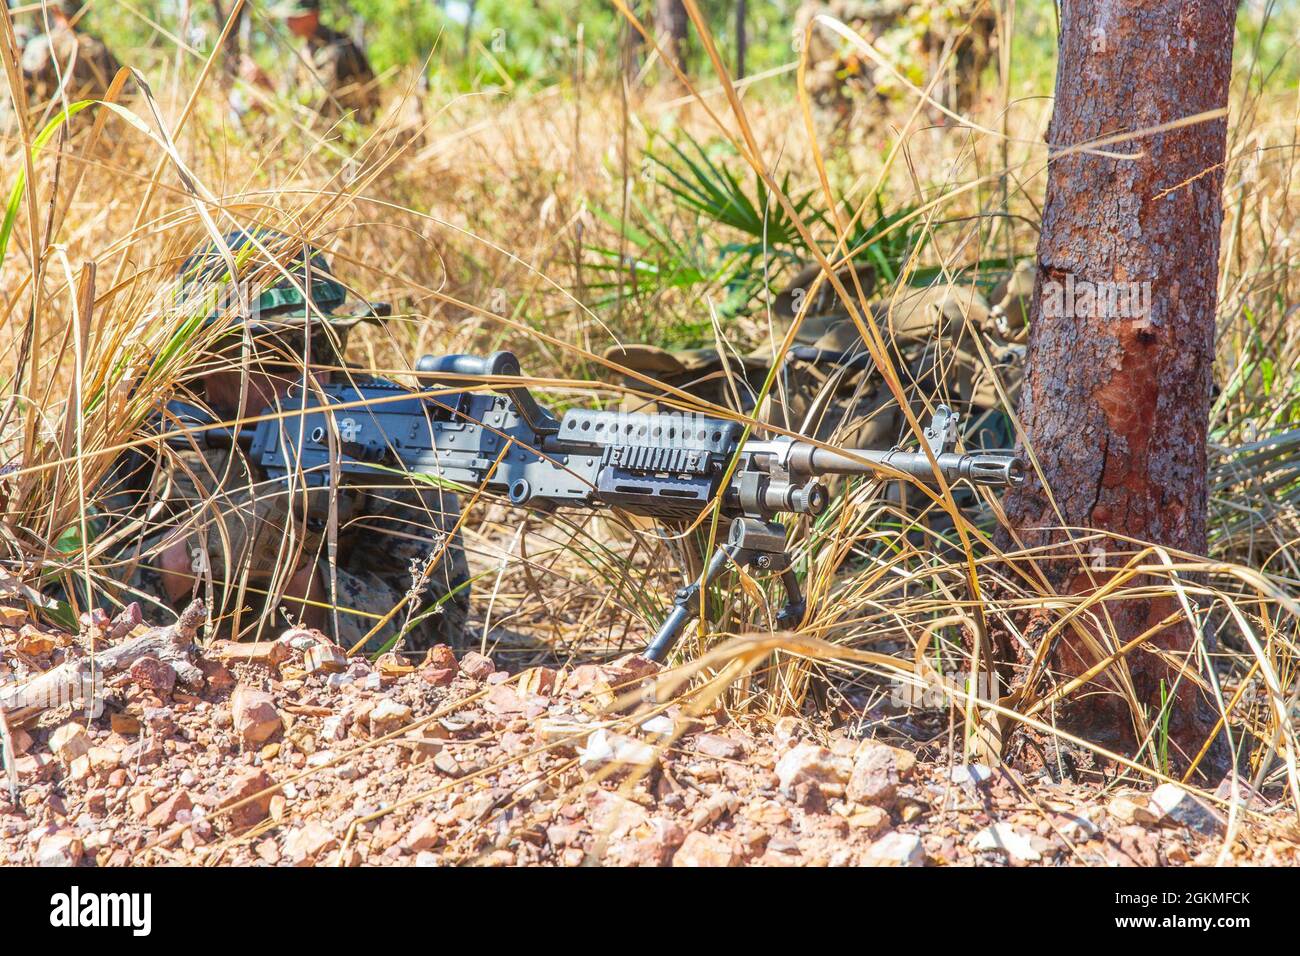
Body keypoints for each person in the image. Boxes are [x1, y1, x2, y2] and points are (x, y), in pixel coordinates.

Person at [101, 230, 470, 653]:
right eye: (277, 353)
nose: (312, 373)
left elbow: (435, 628)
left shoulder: (386, 429)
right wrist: (184, 560)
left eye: (325, 344)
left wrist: (299, 577)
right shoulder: (129, 427)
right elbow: (49, 597)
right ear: (203, 360)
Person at [273, 0, 378, 124]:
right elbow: (288, 93)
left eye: (293, 17)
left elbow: (320, 101)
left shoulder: (337, 48)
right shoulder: (301, 52)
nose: (288, 23)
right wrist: (265, 85)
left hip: (350, 129)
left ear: (312, 15)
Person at [20, 0, 124, 107]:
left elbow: (124, 89)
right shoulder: (41, 45)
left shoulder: (95, 46)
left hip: (88, 115)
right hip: (58, 113)